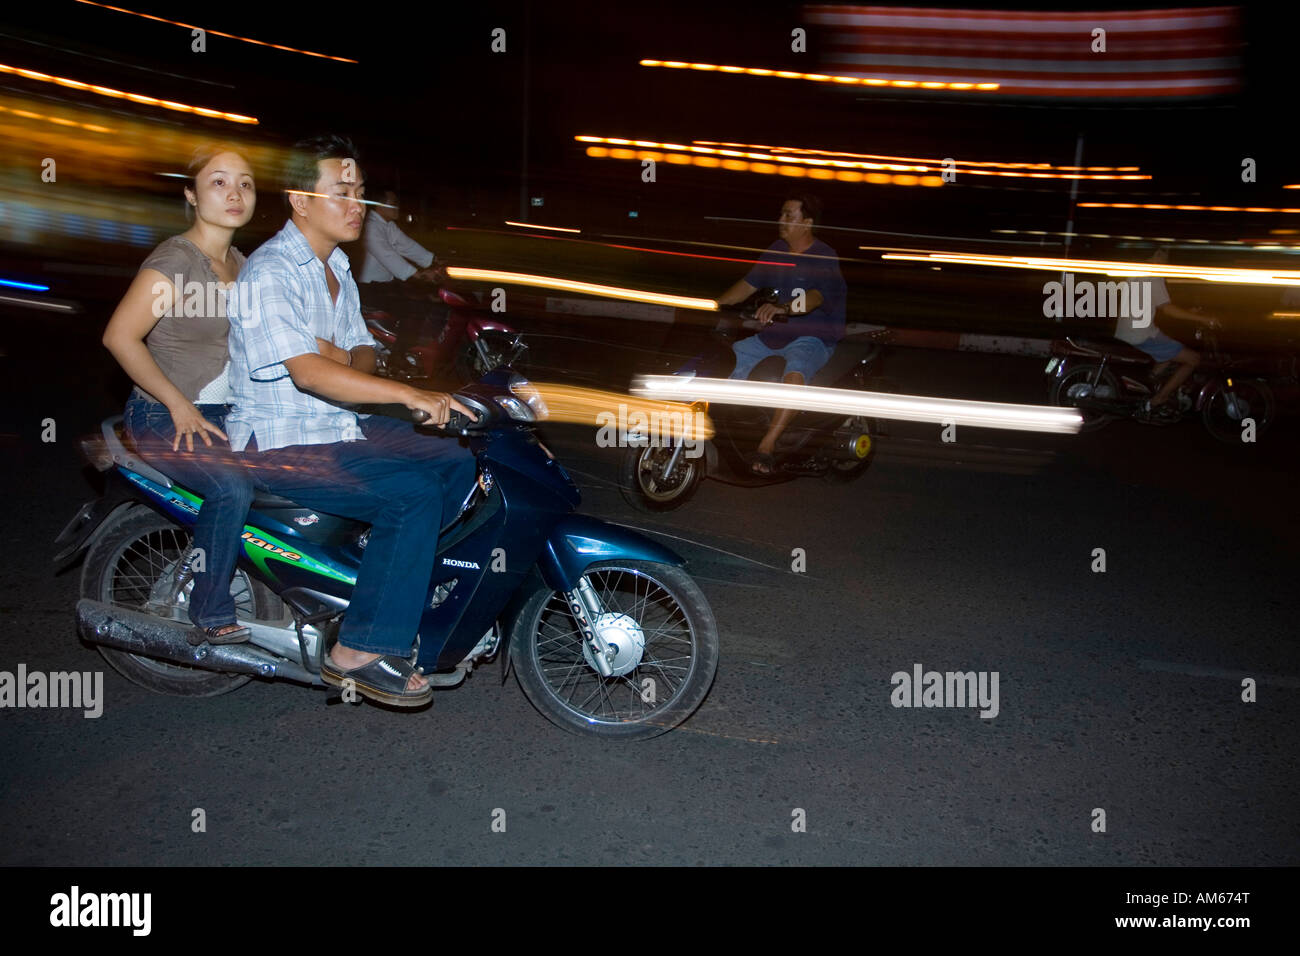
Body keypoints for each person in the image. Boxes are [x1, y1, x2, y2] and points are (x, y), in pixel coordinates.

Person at [226, 134, 476, 708]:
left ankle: (389, 580)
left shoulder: (336, 263)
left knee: (457, 456)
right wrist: (406, 391)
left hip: (336, 426)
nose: (357, 205)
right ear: (299, 200)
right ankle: (358, 650)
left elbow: (363, 354)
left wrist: (332, 357)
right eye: (341, 192)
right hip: (283, 442)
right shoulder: (271, 273)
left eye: (360, 192)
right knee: (411, 494)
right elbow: (310, 376)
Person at [102, 143, 259, 646]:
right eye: (218, 182)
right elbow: (119, 337)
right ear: (191, 194)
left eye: (245, 183)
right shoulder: (174, 259)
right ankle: (209, 609)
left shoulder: (242, 262)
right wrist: (178, 405)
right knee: (230, 487)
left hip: (228, 411)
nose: (234, 193)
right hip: (164, 414)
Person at [715, 195, 846, 474]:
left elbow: (815, 298)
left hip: (813, 336)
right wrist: (713, 306)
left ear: (807, 222)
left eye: (789, 216)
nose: (781, 221)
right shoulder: (776, 250)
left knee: (795, 373)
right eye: (781, 214)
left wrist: (782, 307)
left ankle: (767, 445)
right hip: (773, 334)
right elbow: (748, 285)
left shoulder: (824, 256)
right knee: (722, 360)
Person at [1115, 247, 1221, 421]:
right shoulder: (1154, 274)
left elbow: (1157, 304)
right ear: (1157, 254)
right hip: (1141, 333)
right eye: (1165, 256)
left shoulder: (1135, 269)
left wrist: (1188, 312)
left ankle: (1151, 381)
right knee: (1192, 359)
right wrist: (1202, 319)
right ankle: (1158, 400)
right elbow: (1168, 310)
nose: (1167, 260)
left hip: (1127, 328)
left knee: (1171, 345)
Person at [356, 184, 444, 370]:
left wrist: (433, 259)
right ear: (380, 205)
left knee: (428, 300)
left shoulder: (388, 226)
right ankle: (398, 356)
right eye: (393, 203)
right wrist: (417, 274)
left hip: (385, 285)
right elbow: (388, 255)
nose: (397, 207)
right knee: (415, 308)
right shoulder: (372, 227)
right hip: (369, 289)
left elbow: (407, 246)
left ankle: (411, 347)